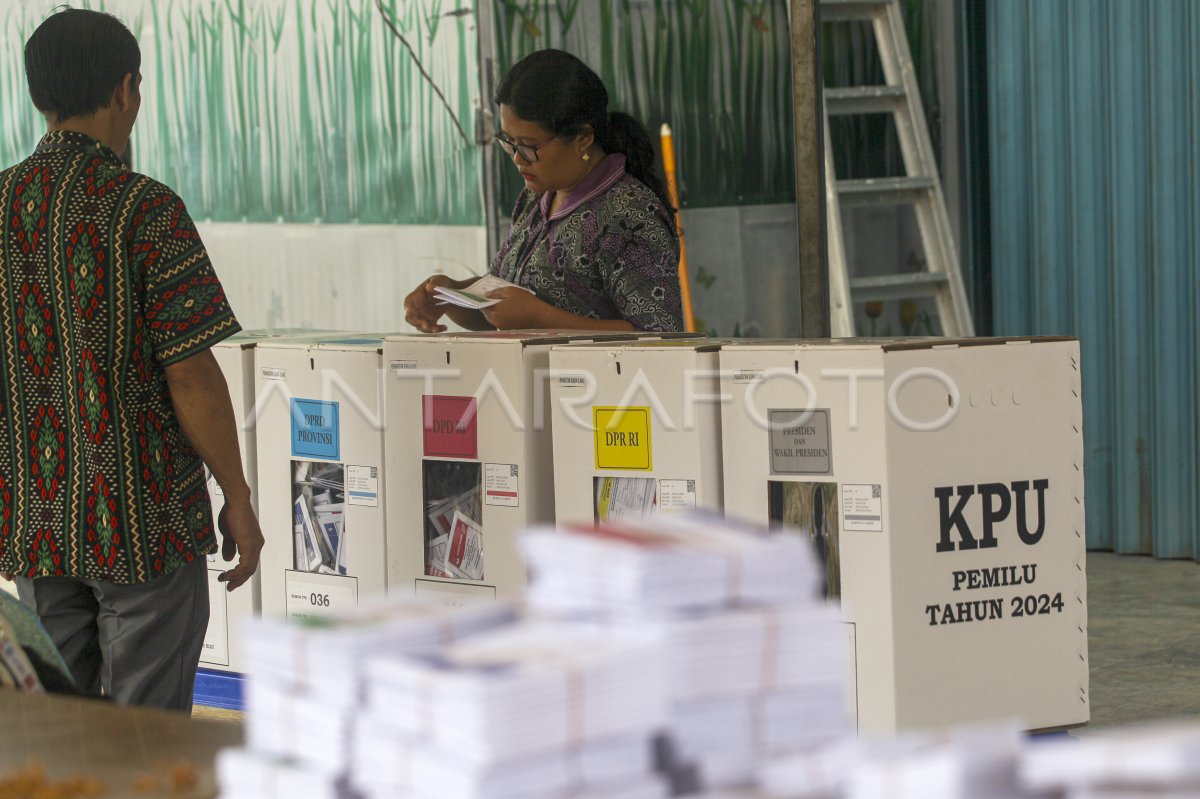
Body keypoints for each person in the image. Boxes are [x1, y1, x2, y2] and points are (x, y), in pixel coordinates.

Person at [0, 8, 263, 712]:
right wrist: (237, 496)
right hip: (144, 523)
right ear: (124, 90)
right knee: (145, 733)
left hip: (35, 522)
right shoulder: (145, 210)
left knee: (60, 726)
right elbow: (191, 375)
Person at [405, 49, 682, 333]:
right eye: (509, 141)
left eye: (528, 145)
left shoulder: (630, 215)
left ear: (583, 139)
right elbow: (501, 311)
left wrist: (541, 318)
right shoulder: (536, 197)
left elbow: (660, 337)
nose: (517, 157)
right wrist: (451, 296)